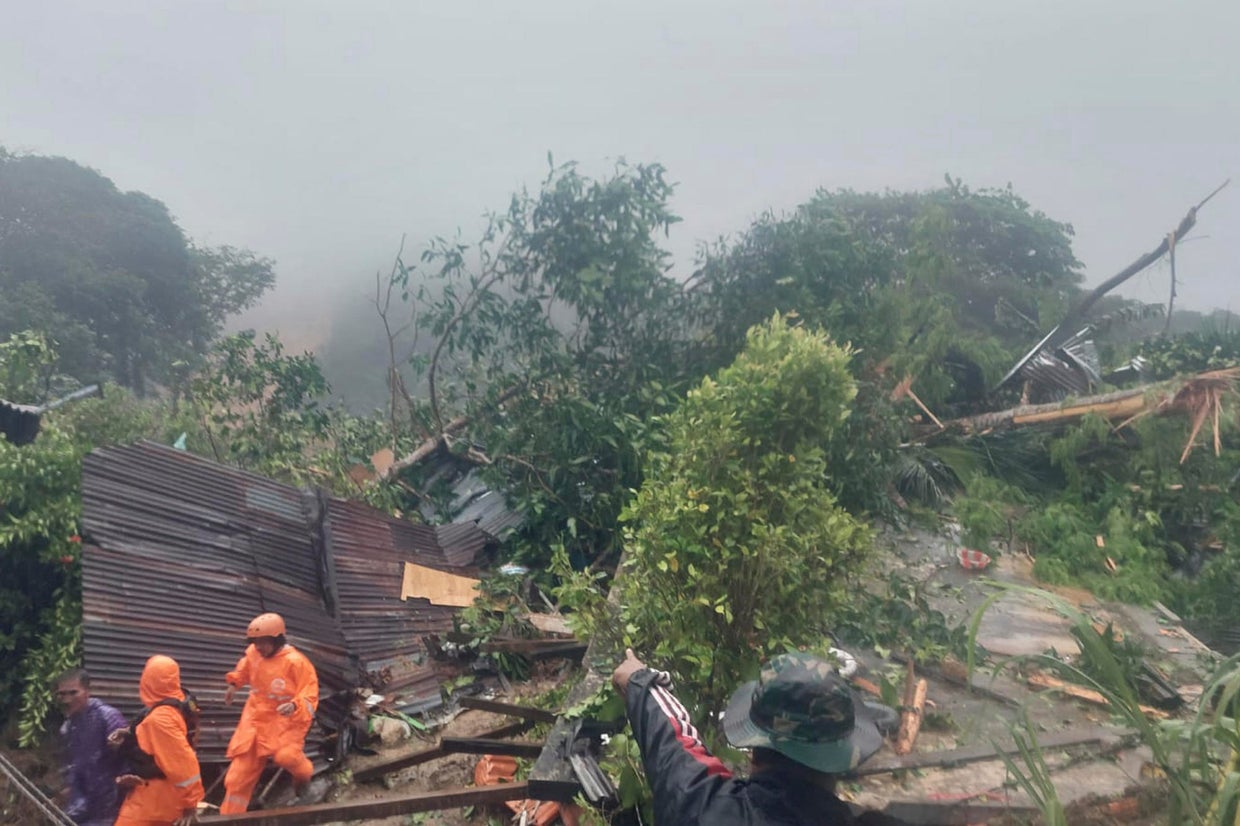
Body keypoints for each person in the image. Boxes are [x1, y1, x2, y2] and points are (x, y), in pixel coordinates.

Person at [613, 647, 907, 826]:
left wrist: (641, 682)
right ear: (844, 757)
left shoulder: (703, 808)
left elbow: (673, 745)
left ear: (755, 746)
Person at [219, 612, 319, 815]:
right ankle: (229, 819)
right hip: (255, 720)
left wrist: (295, 705)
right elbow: (244, 668)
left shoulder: (296, 662)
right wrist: (234, 684)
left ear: (276, 640)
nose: (258, 647)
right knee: (235, 779)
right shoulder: (253, 654)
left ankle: (304, 780)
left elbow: (310, 694)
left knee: (286, 757)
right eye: (255, 642)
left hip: (286, 721)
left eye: (263, 642)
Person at [112, 655, 204, 826]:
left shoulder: (159, 720)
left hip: (156, 798)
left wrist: (190, 805)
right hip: (163, 794)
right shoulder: (179, 703)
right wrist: (128, 732)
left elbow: (183, 764)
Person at [54, 667, 128, 826]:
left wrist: (119, 748)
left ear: (87, 691)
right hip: (79, 809)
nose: (67, 699)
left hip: (108, 810)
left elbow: (128, 759)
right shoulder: (68, 726)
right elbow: (70, 764)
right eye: (62, 694)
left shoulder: (108, 717)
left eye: (73, 693)